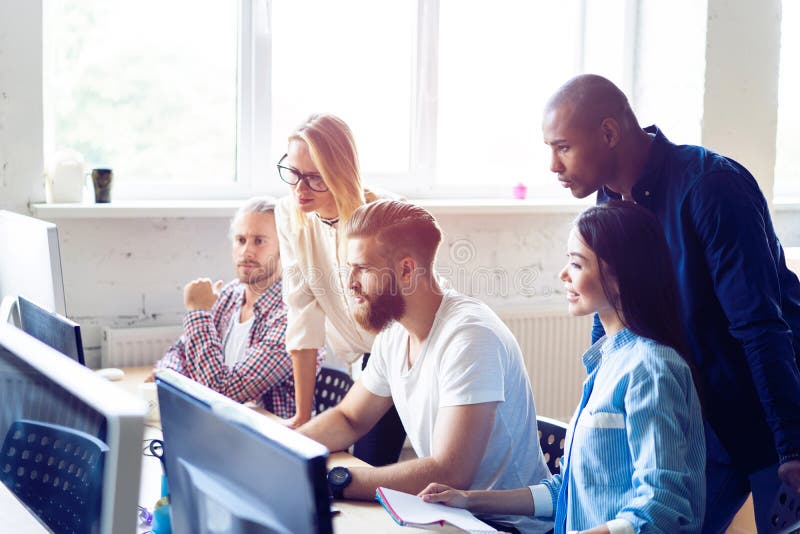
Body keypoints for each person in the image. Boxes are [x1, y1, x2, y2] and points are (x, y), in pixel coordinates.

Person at [542, 74, 800, 532]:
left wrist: (792, 444)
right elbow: (614, 313)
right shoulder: (609, 198)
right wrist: (596, 405)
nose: (552, 165)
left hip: (767, 405)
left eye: (563, 147)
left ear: (608, 133)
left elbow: (759, 323)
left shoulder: (711, 187)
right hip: (694, 406)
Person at [420, 201, 706, 533]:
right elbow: (567, 492)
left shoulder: (651, 369)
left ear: (621, 276)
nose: (563, 274)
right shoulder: (608, 361)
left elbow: (661, 507)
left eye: (577, 264)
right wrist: (469, 500)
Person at [298, 199, 552, 533]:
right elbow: (350, 418)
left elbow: (450, 472)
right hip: (450, 516)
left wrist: (336, 480)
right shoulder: (395, 332)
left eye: (363, 269)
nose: (350, 283)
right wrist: (285, 449)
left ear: (406, 270)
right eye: (350, 268)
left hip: (505, 526)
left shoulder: (470, 336)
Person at [274, 113, 407, 466]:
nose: (300, 189)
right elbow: (302, 312)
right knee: (349, 462)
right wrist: (302, 414)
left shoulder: (385, 216)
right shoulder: (289, 214)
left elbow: (408, 315)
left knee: (372, 465)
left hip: (406, 355)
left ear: (340, 173)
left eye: (315, 178)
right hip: (364, 359)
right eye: (293, 172)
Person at [149, 197, 312, 418]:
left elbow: (222, 393)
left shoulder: (292, 316)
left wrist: (198, 313)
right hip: (213, 424)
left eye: (259, 241)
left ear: (285, 247)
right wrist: (167, 376)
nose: (246, 252)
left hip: (262, 434)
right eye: (240, 240)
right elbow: (179, 354)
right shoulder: (229, 294)